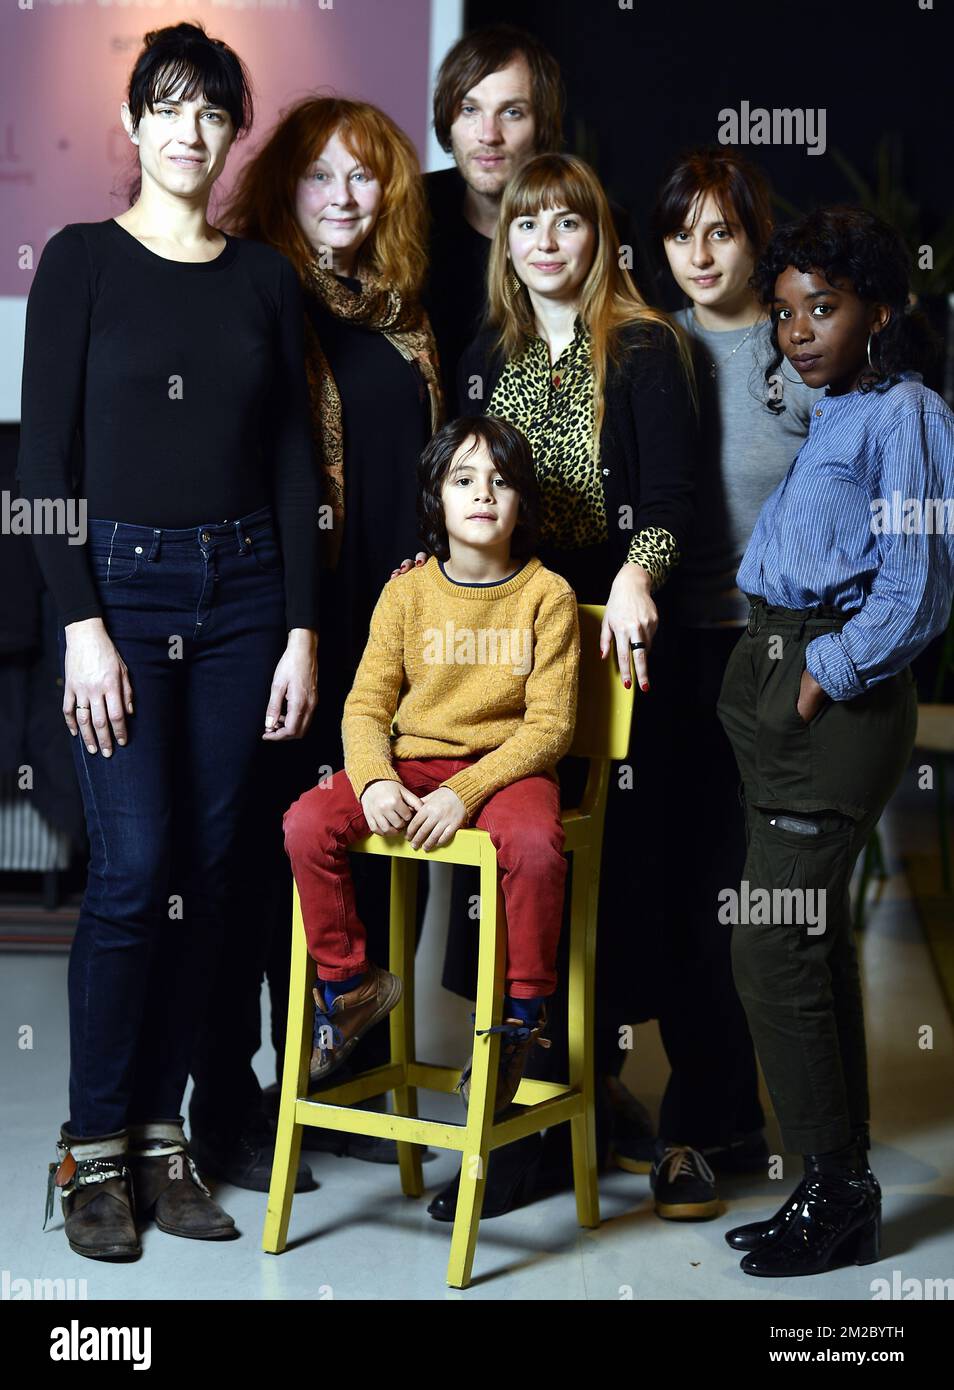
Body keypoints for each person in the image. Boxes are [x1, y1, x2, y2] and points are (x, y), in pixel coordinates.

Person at [20, 21, 320, 1260]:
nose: (191, 131)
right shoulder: (84, 263)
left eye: (214, 112)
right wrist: (83, 623)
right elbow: (40, 474)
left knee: (207, 880)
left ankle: (163, 1138)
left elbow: (296, 464)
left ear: (233, 132)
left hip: (248, 593)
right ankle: (91, 1149)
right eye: (170, 107)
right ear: (135, 125)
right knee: (136, 872)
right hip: (123, 604)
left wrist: (303, 626)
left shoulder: (262, 280)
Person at [415, 151, 696, 1222]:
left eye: (566, 224)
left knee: (608, 884)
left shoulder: (647, 349)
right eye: (525, 225)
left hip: (613, 649)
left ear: (599, 239)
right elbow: (466, 496)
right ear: (506, 243)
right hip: (506, 652)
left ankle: (580, 1097)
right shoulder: (492, 352)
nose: (543, 242)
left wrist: (637, 570)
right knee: (505, 871)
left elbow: (671, 494)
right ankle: (528, 1112)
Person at [188, 97, 442, 1187]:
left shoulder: (411, 318)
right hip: (286, 624)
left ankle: (340, 1084)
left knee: (382, 856)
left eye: (365, 177)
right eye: (319, 176)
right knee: (254, 864)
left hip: (395, 637)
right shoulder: (252, 296)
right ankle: (228, 1104)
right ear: (281, 186)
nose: (343, 198)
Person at [716, 206, 954, 1277]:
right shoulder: (844, 413)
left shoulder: (906, 412)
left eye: (826, 307)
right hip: (775, 681)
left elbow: (920, 586)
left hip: (829, 699)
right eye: (785, 313)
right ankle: (834, 1188)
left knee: (771, 942)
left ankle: (834, 1188)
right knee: (803, 941)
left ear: (883, 311)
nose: (799, 331)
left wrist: (824, 675)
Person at [602, 149, 825, 1220]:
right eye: (680, 231)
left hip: (771, 651)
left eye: (720, 232)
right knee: (679, 888)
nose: (699, 252)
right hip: (662, 655)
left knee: (750, 895)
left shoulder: (796, 353)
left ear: (753, 239)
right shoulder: (648, 348)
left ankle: (724, 1115)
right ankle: (701, 1117)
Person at [283, 415, 580, 1118]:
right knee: (305, 823)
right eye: (464, 479)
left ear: (523, 503)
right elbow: (363, 707)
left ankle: (520, 1021)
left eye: (502, 482)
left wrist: (467, 789)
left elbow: (551, 727)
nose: (483, 494)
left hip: (509, 770)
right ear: (436, 499)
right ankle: (350, 984)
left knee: (537, 845)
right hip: (410, 766)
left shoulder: (549, 597)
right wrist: (377, 777)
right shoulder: (407, 592)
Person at [423, 23, 647, 417]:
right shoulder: (409, 215)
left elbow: (640, 370)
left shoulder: (602, 225)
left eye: (512, 112)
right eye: (469, 109)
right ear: (448, 120)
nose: (488, 134)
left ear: (541, 125)